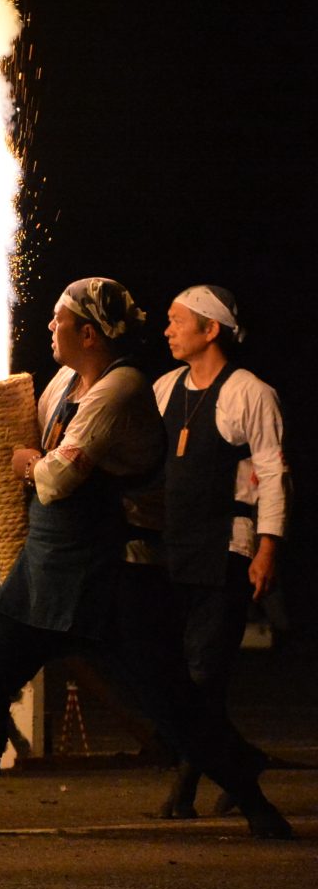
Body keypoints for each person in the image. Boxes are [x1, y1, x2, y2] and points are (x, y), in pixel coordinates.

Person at [0, 279, 289, 837]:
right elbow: (42, 453)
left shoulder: (123, 388)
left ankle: (258, 805)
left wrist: (23, 464)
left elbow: (58, 475)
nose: (49, 327)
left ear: (87, 332)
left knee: (172, 705)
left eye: (58, 319)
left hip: (111, 578)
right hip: (44, 570)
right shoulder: (66, 382)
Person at [152, 285, 290, 818]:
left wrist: (268, 546)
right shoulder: (164, 388)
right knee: (170, 671)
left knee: (205, 673)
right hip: (169, 549)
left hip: (225, 550)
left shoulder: (250, 393)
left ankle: (186, 784)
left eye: (176, 320)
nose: (167, 330)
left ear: (210, 329)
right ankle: (240, 761)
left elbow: (275, 474)